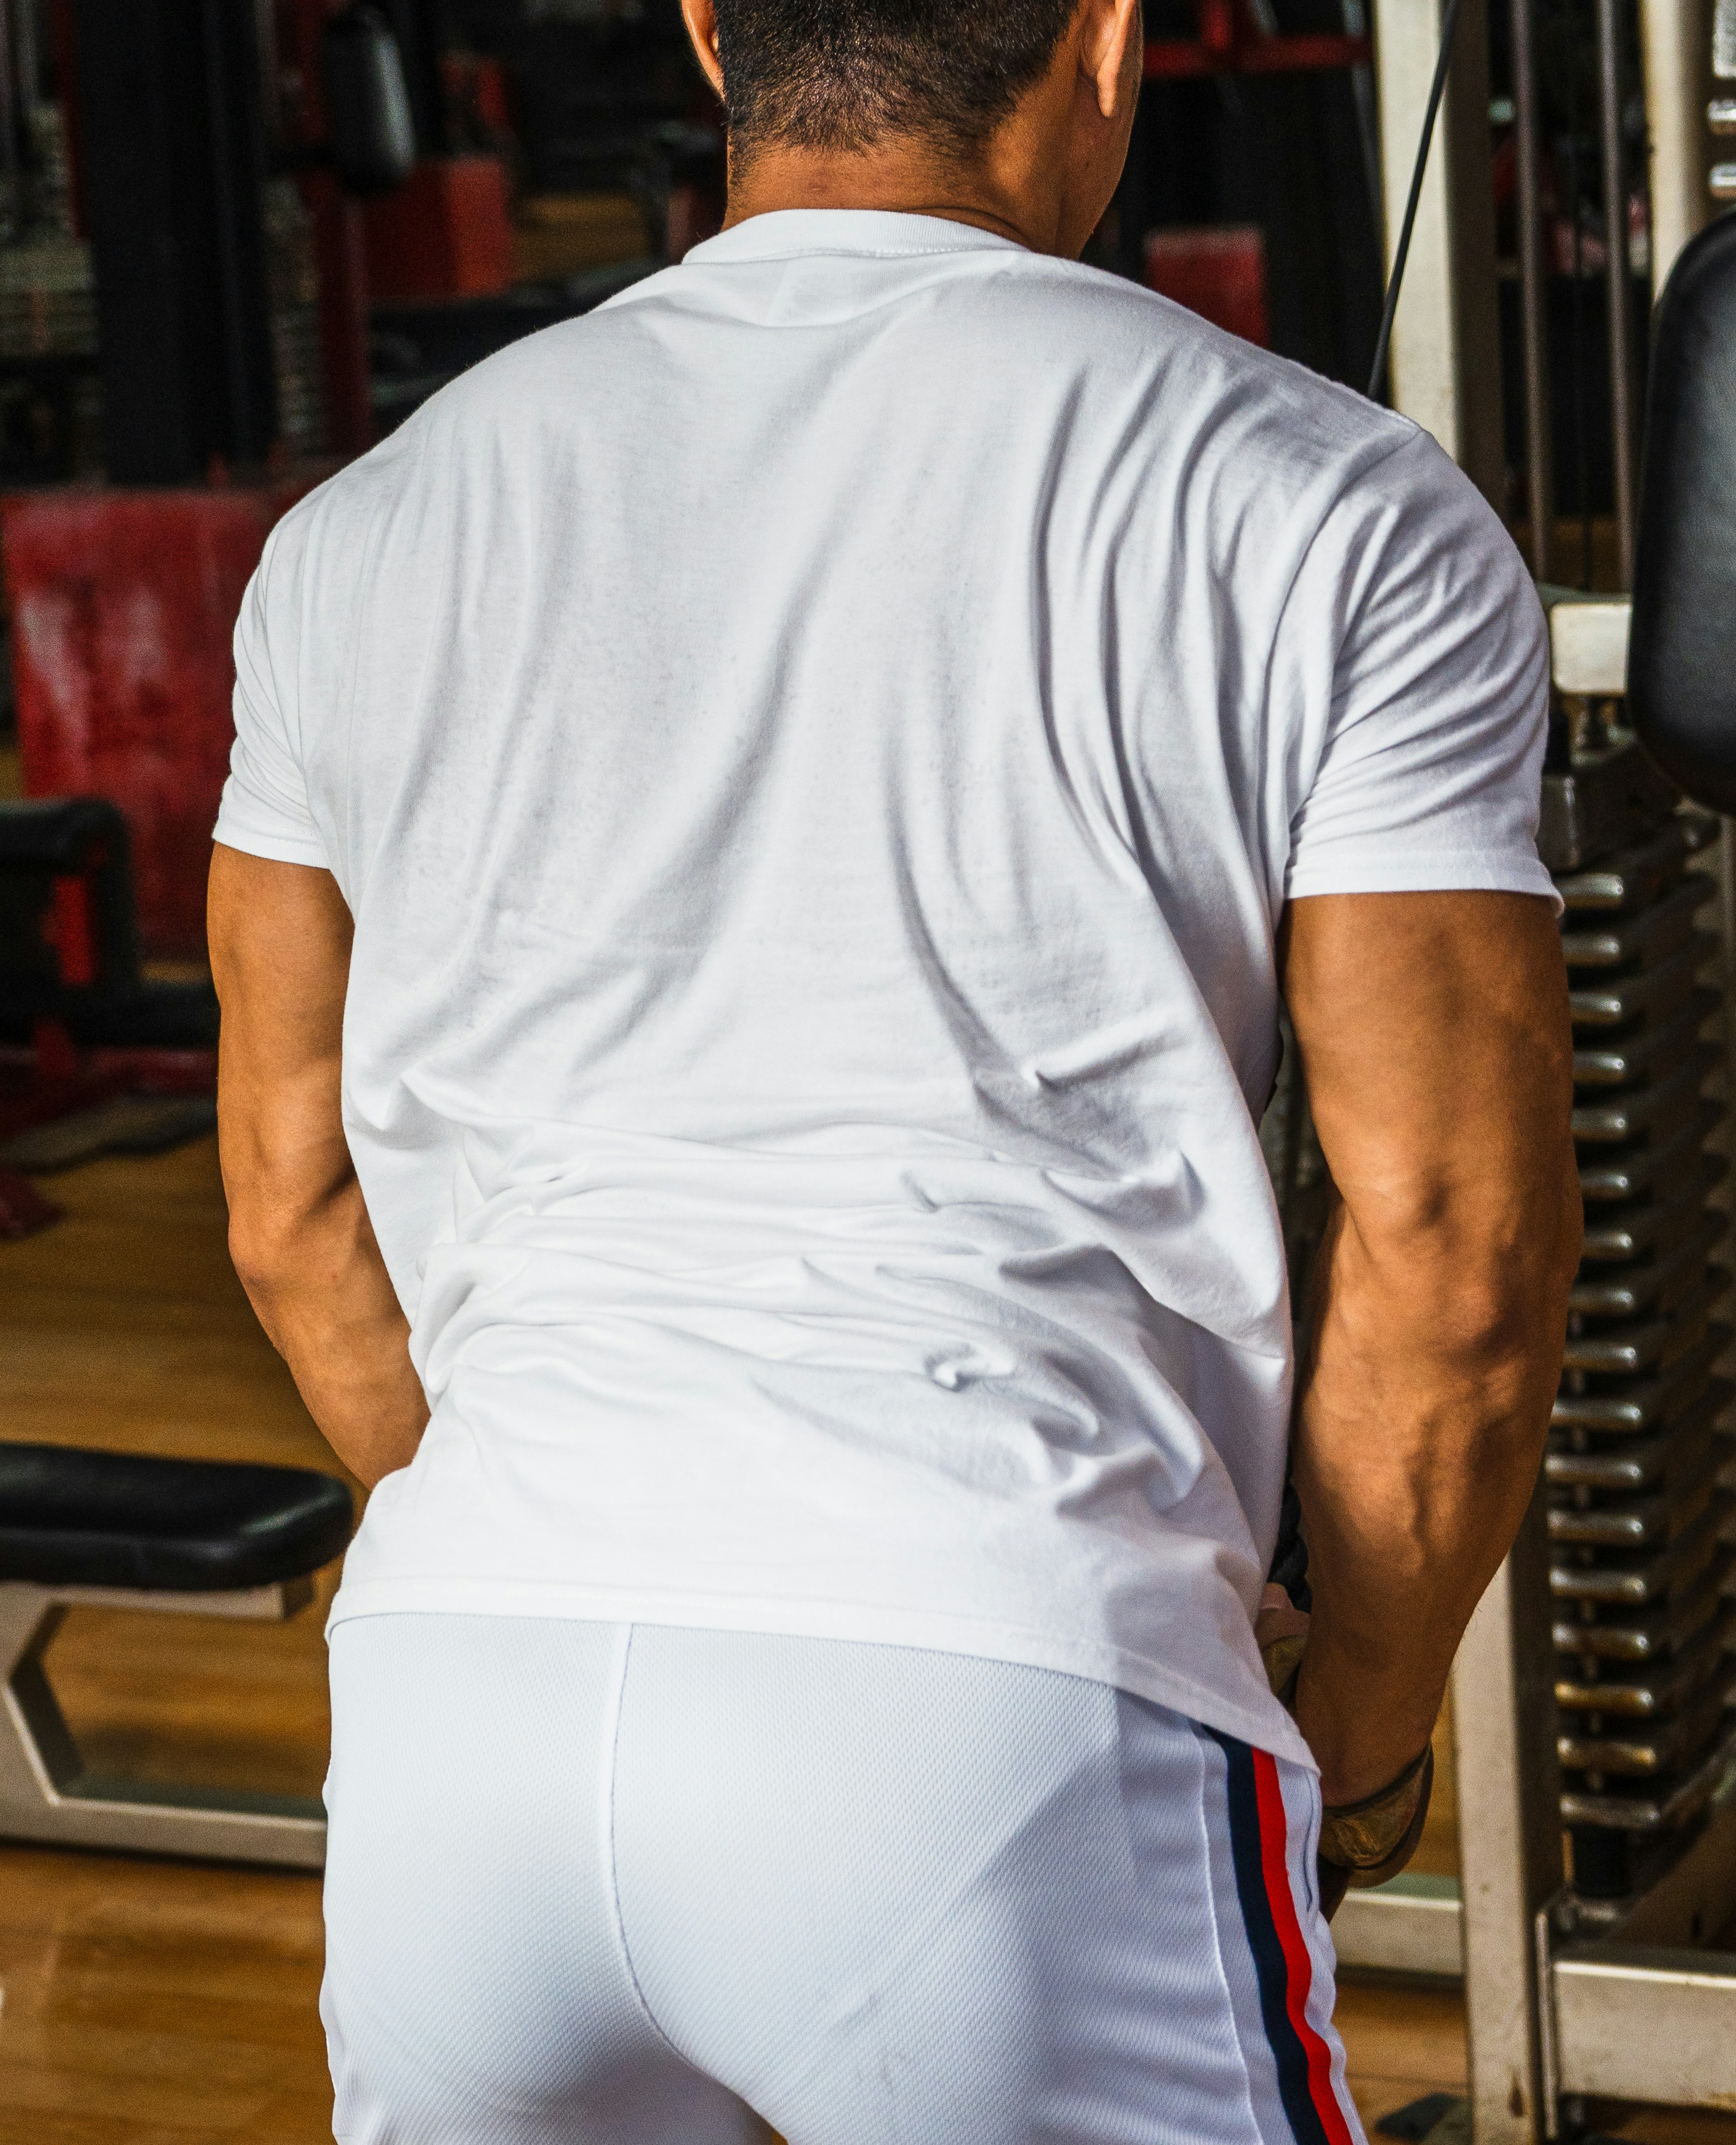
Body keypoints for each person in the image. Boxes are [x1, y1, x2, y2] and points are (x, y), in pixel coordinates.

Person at [208, 0, 1580, 2136]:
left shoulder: (359, 533)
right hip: (1001, 1694)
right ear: (1106, 42)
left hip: (456, 1708)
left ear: (706, 35)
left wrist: (561, 1542)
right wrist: (1367, 1737)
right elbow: (1453, 1255)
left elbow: (293, 1211)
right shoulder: (1328, 502)